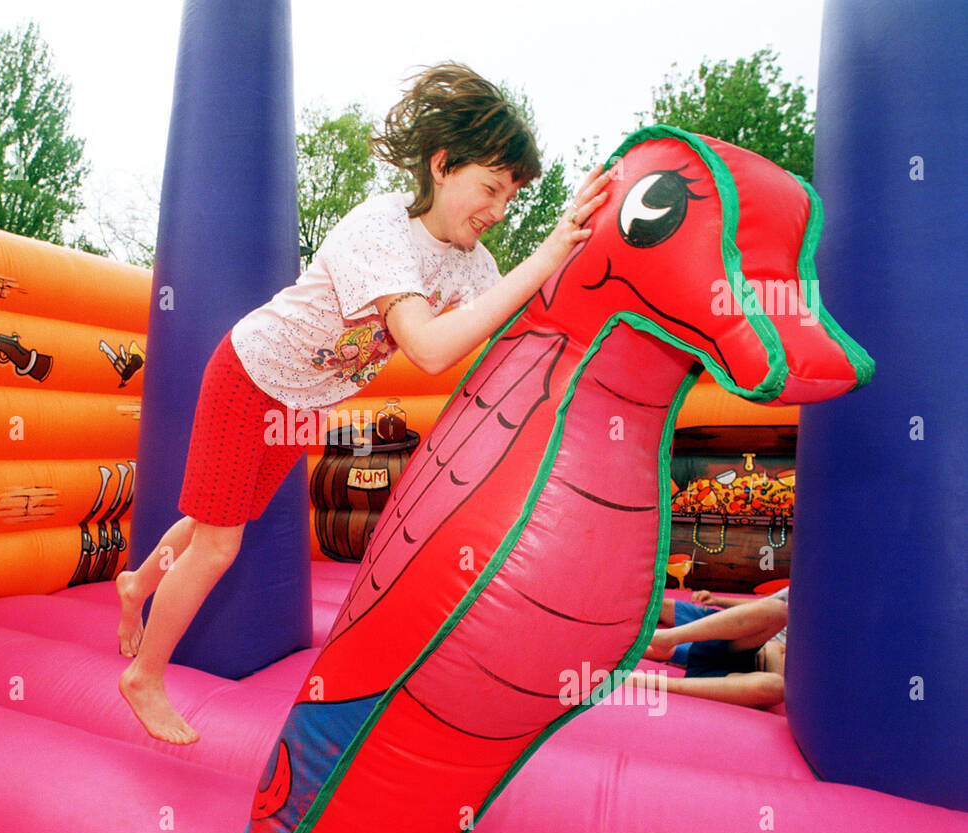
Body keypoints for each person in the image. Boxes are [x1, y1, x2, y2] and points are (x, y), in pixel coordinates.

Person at [116, 62, 612, 744]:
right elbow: (431, 349)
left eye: (511, 198)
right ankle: (143, 676)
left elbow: (523, 317)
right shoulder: (380, 228)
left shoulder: (470, 264)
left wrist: (585, 247)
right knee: (218, 545)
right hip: (251, 372)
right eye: (491, 188)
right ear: (442, 165)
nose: (498, 211)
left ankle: (139, 582)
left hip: (304, 397)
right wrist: (545, 255)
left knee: (215, 521)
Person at [627, 587, 789, 709]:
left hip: (747, 675)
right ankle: (665, 638)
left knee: (775, 688)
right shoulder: (806, 591)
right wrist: (717, 600)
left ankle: (655, 682)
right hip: (745, 639)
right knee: (778, 611)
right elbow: (763, 605)